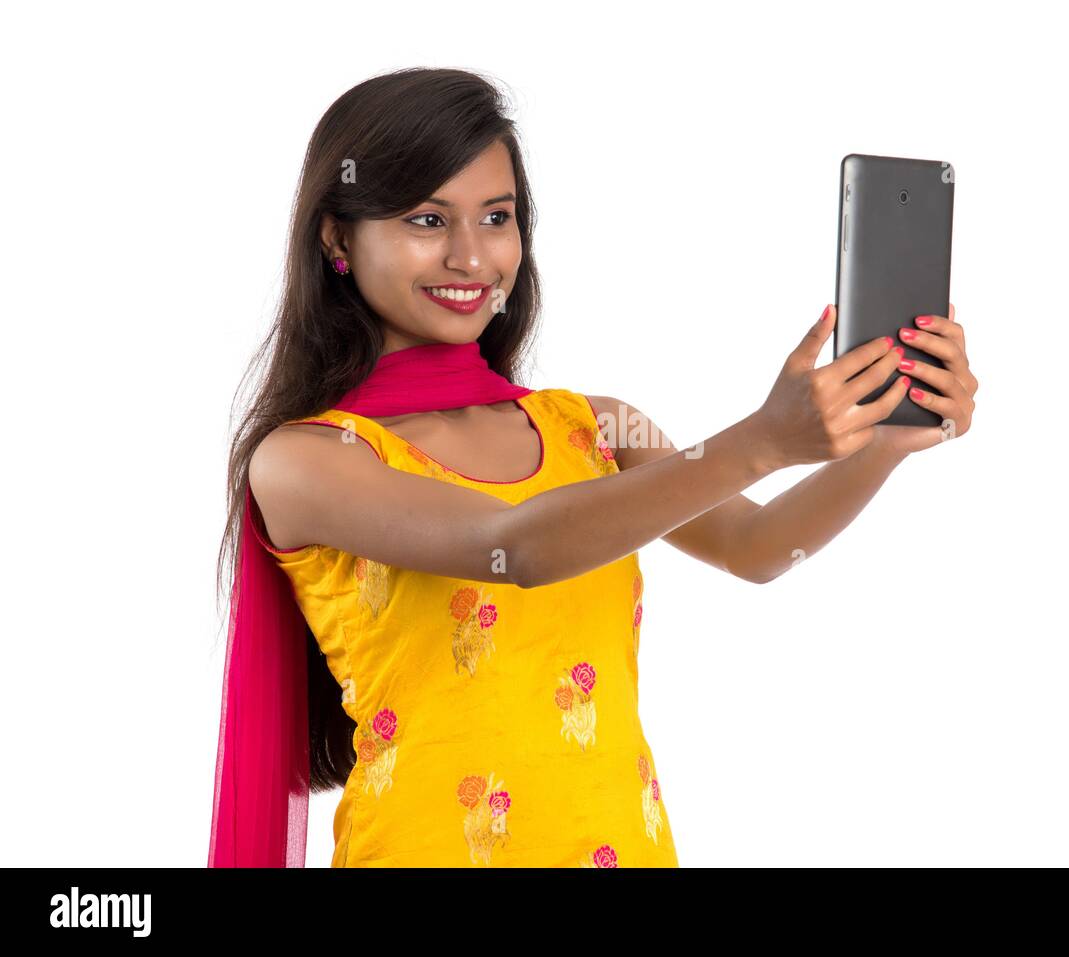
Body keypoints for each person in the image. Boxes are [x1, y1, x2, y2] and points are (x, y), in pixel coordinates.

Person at [208, 67, 979, 868]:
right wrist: (763, 439)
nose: (471, 256)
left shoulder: (593, 426)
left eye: (496, 217)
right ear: (337, 237)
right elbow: (519, 546)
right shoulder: (306, 460)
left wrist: (888, 435)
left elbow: (756, 546)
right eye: (428, 219)